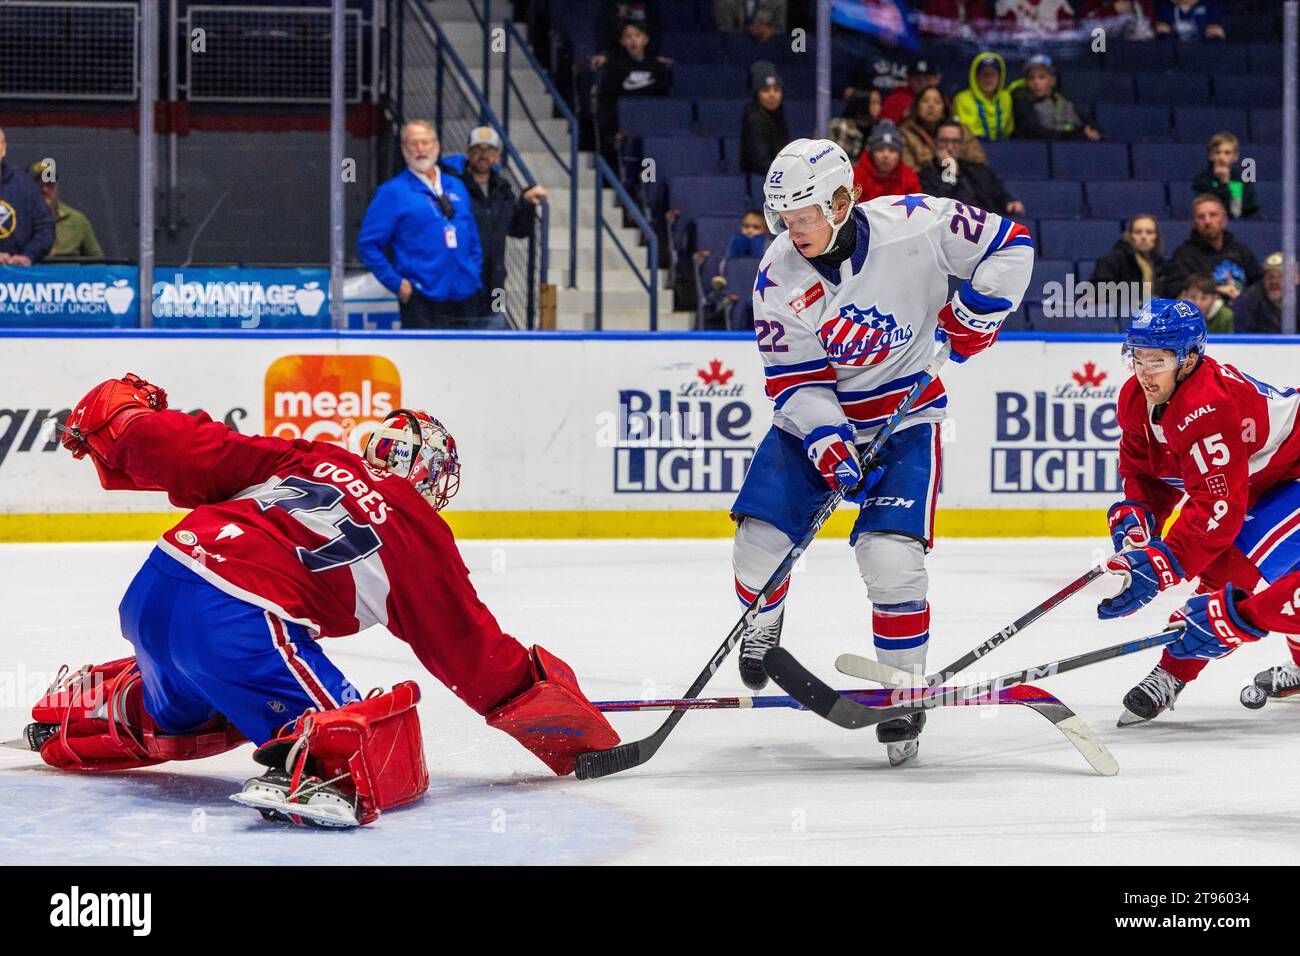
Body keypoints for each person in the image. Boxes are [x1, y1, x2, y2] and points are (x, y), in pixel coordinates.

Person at [24, 374, 619, 827]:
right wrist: (574, 733)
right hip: (238, 616)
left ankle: (100, 710)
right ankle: (318, 771)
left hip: (155, 587)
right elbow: (473, 652)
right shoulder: (416, 530)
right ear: (428, 473)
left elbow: (197, 448)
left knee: (199, 715)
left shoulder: (314, 457)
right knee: (359, 745)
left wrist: (121, 423)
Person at [734, 137, 1032, 765]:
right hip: (817, 427)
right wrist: (825, 439)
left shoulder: (918, 225)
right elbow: (794, 380)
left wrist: (976, 315)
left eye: (805, 213)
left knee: (892, 559)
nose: (793, 228)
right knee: (758, 543)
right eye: (783, 216)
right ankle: (762, 623)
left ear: (843, 201)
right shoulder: (777, 275)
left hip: (905, 422)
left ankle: (903, 690)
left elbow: (1013, 244)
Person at [1097, 299, 1300, 724]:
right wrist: (1139, 515)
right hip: (1258, 477)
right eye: (1137, 356)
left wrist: (1164, 563)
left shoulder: (1207, 406)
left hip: (1291, 472)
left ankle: (1170, 675)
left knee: (1232, 565)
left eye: (1158, 359)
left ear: (1189, 359)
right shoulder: (1135, 397)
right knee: (1273, 568)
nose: (1144, 371)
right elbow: (1145, 470)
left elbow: (1218, 512)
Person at [357, 120, 484, 329]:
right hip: (421, 296)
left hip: (464, 294)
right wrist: (397, 284)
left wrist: (473, 271)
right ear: (403, 149)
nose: (420, 149)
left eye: (425, 142)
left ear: (437, 145)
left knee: (465, 359)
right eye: (413, 144)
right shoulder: (393, 192)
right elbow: (368, 244)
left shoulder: (457, 186)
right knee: (424, 360)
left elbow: (472, 235)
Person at [440, 126, 548, 326]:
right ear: (468, 153)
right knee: (463, 334)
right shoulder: (454, 188)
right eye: (478, 150)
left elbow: (519, 230)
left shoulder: (503, 189)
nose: (484, 156)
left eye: (489, 150)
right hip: (465, 281)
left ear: (497, 155)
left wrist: (525, 204)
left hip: (497, 284)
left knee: (498, 327)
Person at [595, 20, 673, 174]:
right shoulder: (615, 68)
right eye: (628, 36)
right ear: (622, 42)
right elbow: (608, 101)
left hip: (650, 126)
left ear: (645, 39)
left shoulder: (657, 67)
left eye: (637, 35)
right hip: (624, 127)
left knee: (650, 151)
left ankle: (645, 188)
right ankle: (625, 184)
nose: (633, 40)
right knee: (627, 149)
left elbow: (663, 102)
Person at [1162, 194, 1261, 301]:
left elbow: (1259, 285)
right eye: (1201, 217)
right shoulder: (1183, 256)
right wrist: (1216, 291)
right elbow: (1174, 291)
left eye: (1213, 215)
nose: (1207, 221)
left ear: (1224, 221)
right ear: (1195, 223)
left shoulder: (1241, 251)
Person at [917, 119, 1025, 218]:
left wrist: (1009, 202)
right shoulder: (926, 175)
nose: (949, 147)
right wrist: (950, 172)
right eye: (944, 141)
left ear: (961, 144)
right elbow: (938, 208)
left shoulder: (978, 169)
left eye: (955, 142)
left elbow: (999, 194)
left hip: (989, 226)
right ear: (935, 143)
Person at [1010, 55, 1101, 141]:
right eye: (1031, 78)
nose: (1036, 82)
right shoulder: (1021, 103)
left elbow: (1086, 123)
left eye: (1042, 77)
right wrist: (1075, 134)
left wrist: (1090, 131)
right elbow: (1034, 131)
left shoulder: (1063, 102)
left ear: (1052, 80)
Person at [899, 85, 987, 173]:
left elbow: (979, 162)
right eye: (925, 101)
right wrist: (938, 163)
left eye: (937, 102)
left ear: (944, 109)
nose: (931, 106)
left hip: (962, 180)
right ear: (917, 107)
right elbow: (908, 171)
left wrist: (955, 166)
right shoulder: (905, 133)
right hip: (926, 183)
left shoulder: (960, 130)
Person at [0, 128, 54, 266]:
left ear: (4, 149)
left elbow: (46, 228)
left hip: (20, 280)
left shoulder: (24, 184)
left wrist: (28, 255)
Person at [30, 160, 104, 259]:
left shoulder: (77, 220)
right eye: (39, 185)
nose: (45, 189)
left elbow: (97, 262)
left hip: (69, 273)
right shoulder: (21, 221)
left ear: (57, 188)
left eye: (49, 184)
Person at [1089, 213, 1166, 308]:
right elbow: (1097, 291)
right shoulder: (1113, 260)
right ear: (1129, 236)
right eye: (1138, 232)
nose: (1144, 237)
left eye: (1149, 232)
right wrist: (1131, 302)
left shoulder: (1160, 264)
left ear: (1156, 237)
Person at [1191, 132, 1260, 221]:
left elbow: (1243, 211)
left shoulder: (1244, 181)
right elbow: (1212, 210)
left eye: (1227, 153)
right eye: (1217, 152)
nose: (1221, 157)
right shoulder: (1202, 180)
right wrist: (1223, 183)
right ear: (1211, 156)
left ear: (1235, 156)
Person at [741, 61, 791, 183]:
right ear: (757, 94)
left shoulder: (779, 115)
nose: (772, 95)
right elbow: (760, 162)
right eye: (766, 90)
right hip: (761, 182)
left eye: (776, 89)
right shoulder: (754, 119)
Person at [853, 121, 921, 202]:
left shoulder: (909, 178)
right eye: (880, 149)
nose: (886, 155)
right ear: (871, 153)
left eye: (892, 150)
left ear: (900, 155)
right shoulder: (855, 176)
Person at [954, 52, 1014, 142]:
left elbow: (1008, 129)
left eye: (993, 74)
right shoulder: (962, 99)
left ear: (1000, 77)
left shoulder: (1006, 97)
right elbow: (964, 132)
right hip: (973, 148)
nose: (989, 79)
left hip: (1003, 147)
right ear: (976, 77)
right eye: (984, 74)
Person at [1234, 251, 1289, 335]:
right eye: (1270, 276)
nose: (1274, 282)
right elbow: (1245, 339)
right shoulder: (1248, 301)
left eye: (1280, 276)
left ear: (1295, 278)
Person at [879, 54, 941, 126]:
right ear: (908, 79)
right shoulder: (896, 100)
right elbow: (886, 128)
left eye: (927, 79)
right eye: (917, 80)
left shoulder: (944, 99)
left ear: (937, 79)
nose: (923, 83)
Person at [829, 90, 881, 164]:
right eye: (874, 103)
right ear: (862, 103)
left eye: (879, 103)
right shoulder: (838, 126)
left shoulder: (877, 130)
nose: (879, 108)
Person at [714, 0, 787, 41]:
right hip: (733, 45)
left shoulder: (778, 1)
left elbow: (780, 28)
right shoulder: (724, 1)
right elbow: (723, 30)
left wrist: (770, 31)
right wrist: (749, 30)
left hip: (766, 45)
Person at [1155, 0, 1225, 39]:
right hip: (1174, 57)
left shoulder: (1210, 6)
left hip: (1204, 56)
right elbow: (1163, 40)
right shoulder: (1164, 6)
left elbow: (1215, 38)